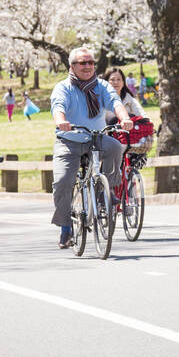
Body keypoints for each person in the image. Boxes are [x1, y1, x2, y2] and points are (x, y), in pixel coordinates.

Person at [51, 46, 132, 248]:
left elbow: (115, 102)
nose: (87, 67)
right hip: (69, 140)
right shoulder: (63, 87)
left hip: (96, 138)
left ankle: (106, 192)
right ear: (72, 66)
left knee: (115, 146)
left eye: (91, 62)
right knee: (62, 181)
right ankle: (66, 228)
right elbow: (58, 106)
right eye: (82, 63)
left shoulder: (102, 85)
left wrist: (124, 118)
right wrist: (61, 120)